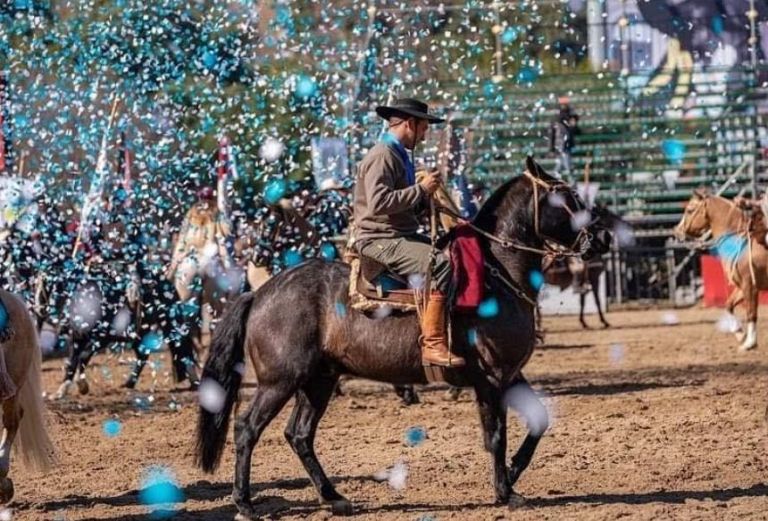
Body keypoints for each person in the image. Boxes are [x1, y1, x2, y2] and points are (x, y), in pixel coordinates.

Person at [353, 97, 465, 368]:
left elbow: (400, 204)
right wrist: (421, 190)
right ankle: (432, 344)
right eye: (423, 128)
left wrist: (424, 200)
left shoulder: (398, 154)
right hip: (379, 239)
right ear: (409, 123)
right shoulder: (383, 155)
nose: (425, 135)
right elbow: (379, 203)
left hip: (396, 235)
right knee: (439, 264)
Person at [550, 98, 580, 182]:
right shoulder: (559, 117)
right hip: (561, 144)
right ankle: (572, 182)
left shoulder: (570, 117)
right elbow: (552, 134)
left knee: (561, 164)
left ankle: (554, 180)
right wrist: (551, 148)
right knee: (566, 165)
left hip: (566, 144)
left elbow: (576, 131)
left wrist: (574, 122)